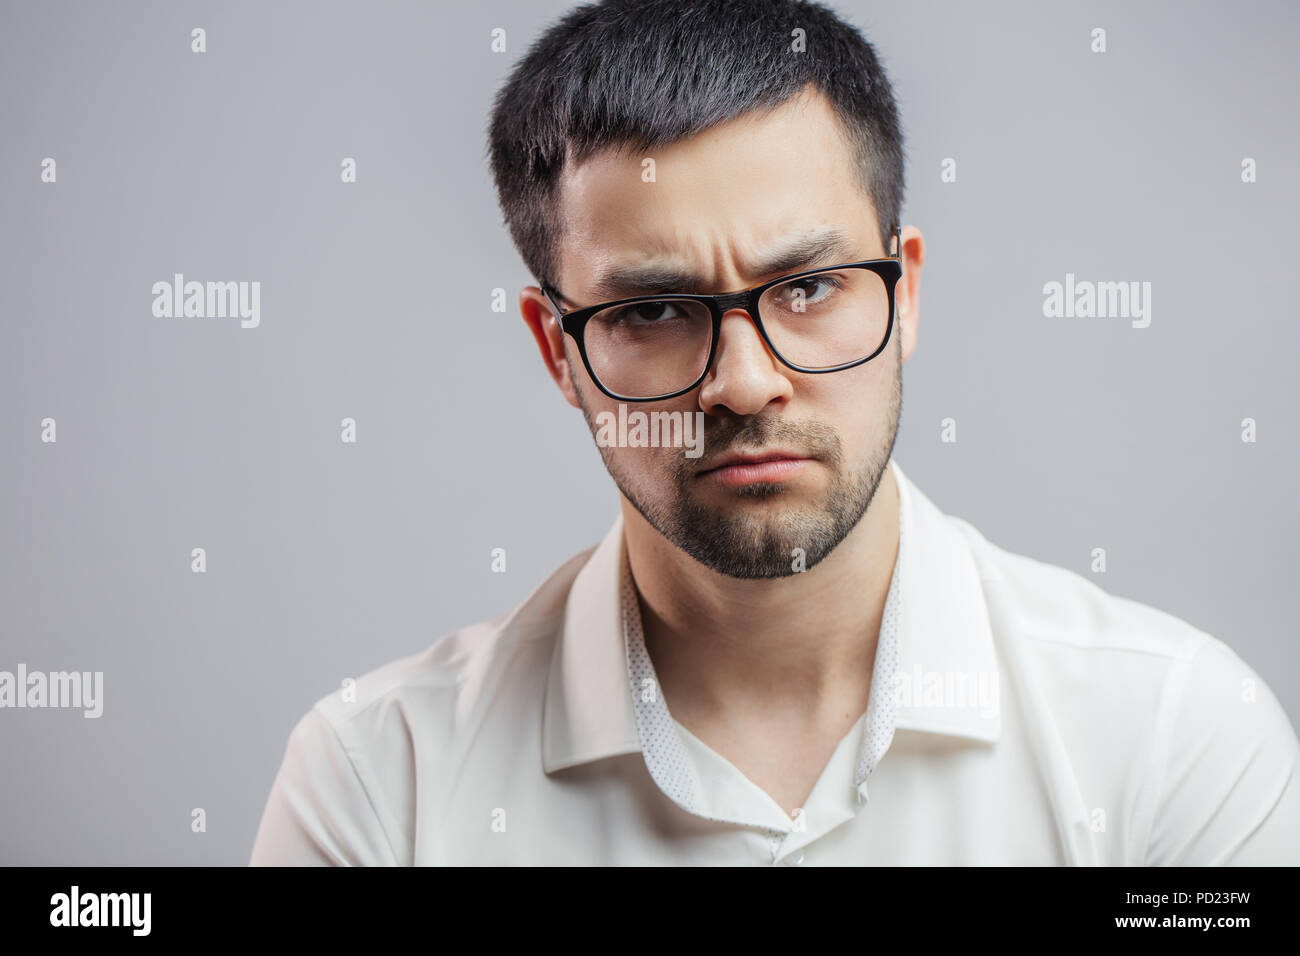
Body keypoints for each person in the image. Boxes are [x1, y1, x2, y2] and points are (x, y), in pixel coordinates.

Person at [250, 0, 1298, 865]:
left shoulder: (1170, 737)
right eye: (655, 310)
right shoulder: (381, 785)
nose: (746, 385)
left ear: (905, 291)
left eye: (807, 287)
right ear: (557, 350)